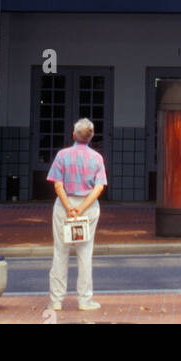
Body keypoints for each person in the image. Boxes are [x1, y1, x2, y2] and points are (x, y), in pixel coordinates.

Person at [46, 117, 107, 313]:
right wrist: (81, 209)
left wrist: (69, 207)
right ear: (91, 137)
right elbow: (98, 187)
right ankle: (85, 299)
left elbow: (57, 184)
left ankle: (56, 300)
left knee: (60, 251)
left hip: (65, 206)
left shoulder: (62, 155)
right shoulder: (97, 158)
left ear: (74, 135)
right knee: (85, 253)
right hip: (87, 207)